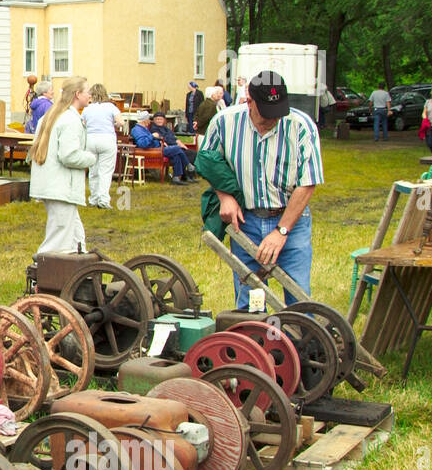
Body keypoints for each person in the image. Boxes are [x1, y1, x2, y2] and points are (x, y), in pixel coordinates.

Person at [200, 70, 323, 309]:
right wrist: (225, 197)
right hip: (247, 222)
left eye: (278, 113)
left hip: (291, 222)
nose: (273, 120)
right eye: (266, 114)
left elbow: (307, 183)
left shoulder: (302, 127)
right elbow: (209, 161)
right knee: (250, 302)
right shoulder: (224, 122)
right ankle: (256, 344)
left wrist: (282, 231)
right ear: (249, 101)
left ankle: (299, 344)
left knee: (298, 298)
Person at [29, 77, 96, 253]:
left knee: (75, 237)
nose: (90, 94)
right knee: (58, 240)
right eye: (87, 91)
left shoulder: (51, 116)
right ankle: (42, 275)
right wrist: (91, 158)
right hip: (61, 186)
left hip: (53, 185)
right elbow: (69, 156)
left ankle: (78, 275)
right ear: (77, 94)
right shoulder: (70, 119)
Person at [82, 83, 120, 209]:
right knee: (105, 171)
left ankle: (93, 198)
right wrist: (113, 123)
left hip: (91, 139)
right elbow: (120, 122)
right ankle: (103, 199)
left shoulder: (88, 109)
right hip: (107, 139)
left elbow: (83, 123)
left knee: (93, 171)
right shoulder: (111, 107)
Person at [132, 111, 196, 185]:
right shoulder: (137, 130)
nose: (149, 121)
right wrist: (152, 136)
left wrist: (159, 141)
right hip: (152, 151)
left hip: (156, 148)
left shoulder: (143, 128)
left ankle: (176, 178)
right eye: (149, 119)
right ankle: (188, 165)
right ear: (145, 120)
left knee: (176, 154)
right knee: (176, 148)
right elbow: (142, 144)